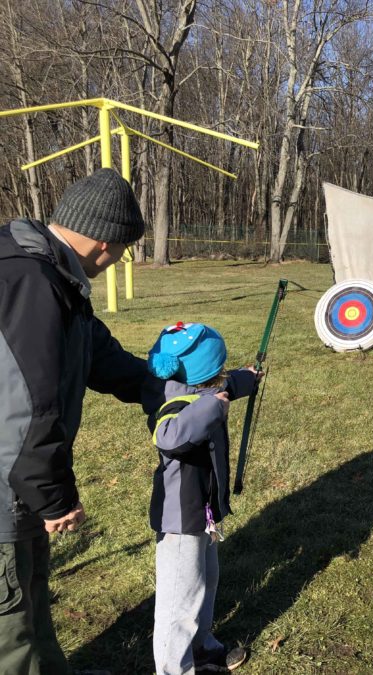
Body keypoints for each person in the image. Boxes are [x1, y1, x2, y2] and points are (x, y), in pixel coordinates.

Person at [0, 168, 150, 674]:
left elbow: (97, 355)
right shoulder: (29, 281)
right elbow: (24, 409)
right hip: (5, 487)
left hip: (18, 486)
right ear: (106, 244)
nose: (116, 262)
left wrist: (167, 383)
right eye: (122, 251)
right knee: (10, 629)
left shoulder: (49, 270)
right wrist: (53, 495)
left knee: (32, 596)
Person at [146, 321, 258, 674]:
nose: (220, 384)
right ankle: (173, 668)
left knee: (205, 582)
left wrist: (245, 379)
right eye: (216, 376)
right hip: (181, 521)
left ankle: (200, 646)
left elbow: (223, 388)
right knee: (179, 599)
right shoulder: (174, 407)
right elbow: (170, 438)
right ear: (199, 380)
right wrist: (212, 407)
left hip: (204, 515)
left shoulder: (203, 391)